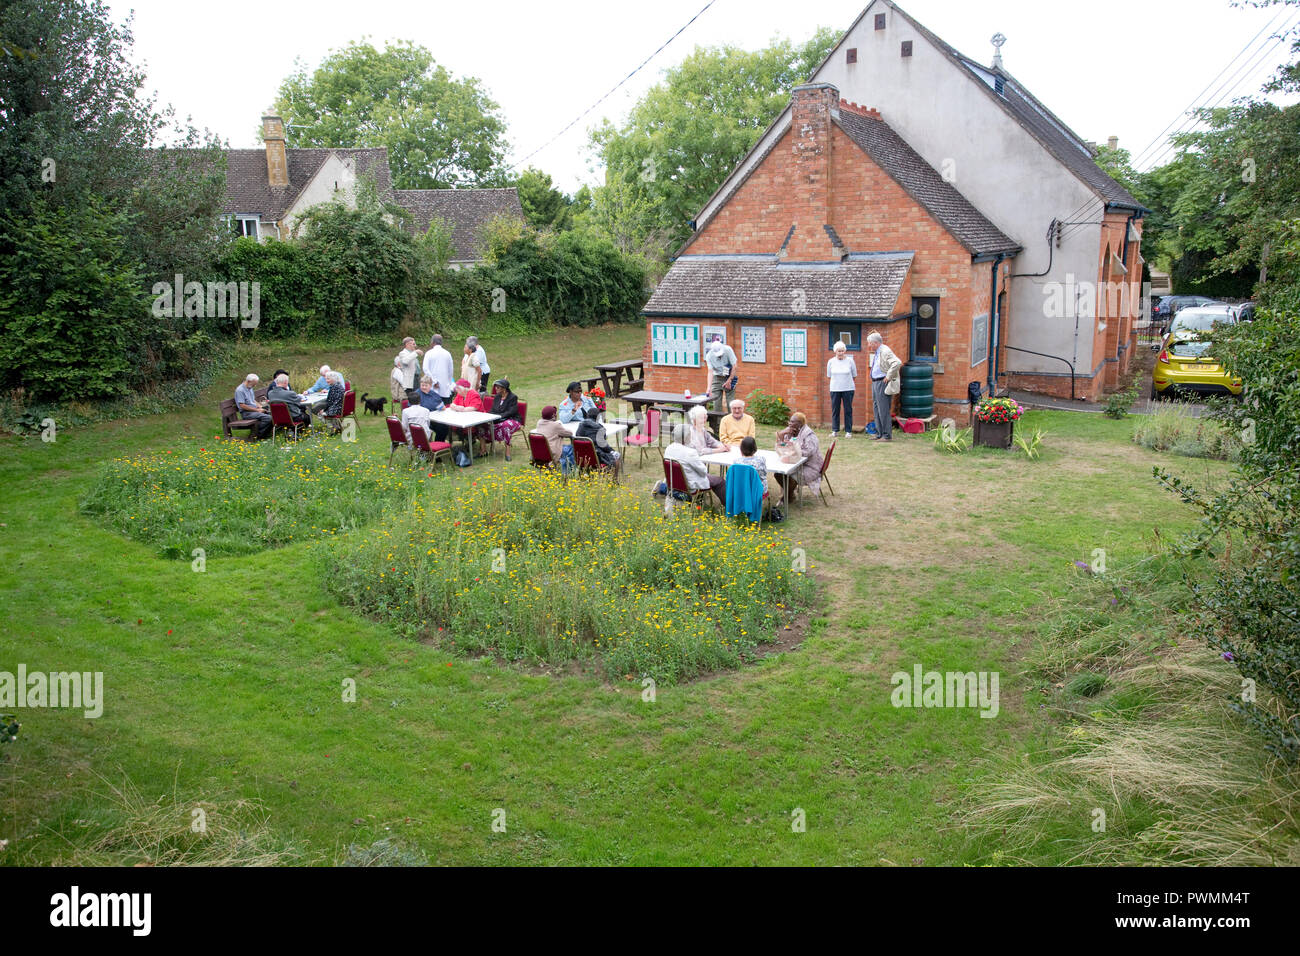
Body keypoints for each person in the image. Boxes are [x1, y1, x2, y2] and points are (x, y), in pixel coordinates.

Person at [664, 424, 725, 504]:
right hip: (691, 485)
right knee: (720, 481)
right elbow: (703, 472)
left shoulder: (669, 448)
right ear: (687, 436)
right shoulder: (690, 452)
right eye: (690, 434)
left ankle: (700, 503)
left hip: (675, 484)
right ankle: (728, 508)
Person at [776, 411, 823, 498]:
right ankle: (790, 495)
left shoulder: (809, 434)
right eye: (789, 421)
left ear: (800, 423)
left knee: (793, 476)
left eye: (792, 422)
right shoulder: (790, 431)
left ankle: (787, 497)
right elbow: (781, 448)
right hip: (793, 463)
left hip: (810, 466)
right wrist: (782, 434)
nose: (790, 423)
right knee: (778, 473)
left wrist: (793, 450)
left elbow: (809, 452)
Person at [866, 331, 902, 441]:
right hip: (875, 382)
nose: (869, 346)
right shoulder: (878, 351)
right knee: (876, 408)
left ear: (876, 343)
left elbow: (897, 363)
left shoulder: (885, 350)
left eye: (870, 343)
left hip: (883, 382)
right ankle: (879, 433)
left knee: (883, 409)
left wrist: (889, 376)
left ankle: (886, 435)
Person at [737, 435, 783, 517]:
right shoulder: (760, 460)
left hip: (741, 490)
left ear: (741, 449)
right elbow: (764, 474)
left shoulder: (736, 462)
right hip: (757, 490)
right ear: (755, 448)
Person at [484, 378, 522, 461]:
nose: (496, 389)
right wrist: (488, 416)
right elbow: (493, 409)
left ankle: (507, 452)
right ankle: (483, 451)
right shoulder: (497, 397)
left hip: (512, 419)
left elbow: (511, 412)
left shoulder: (513, 397)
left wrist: (499, 416)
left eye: (498, 387)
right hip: (499, 419)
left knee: (505, 426)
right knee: (483, 425)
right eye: (496, 387)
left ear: (504, 389)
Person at [575, 406, 621, 474]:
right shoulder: (600, 428)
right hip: (596, 456)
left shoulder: (581, 425)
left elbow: (577, 437)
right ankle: (614, 481)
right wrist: (612, 451)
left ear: (587, 415)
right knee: (616, 458)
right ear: (598, 417)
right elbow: (604, 446)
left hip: (580, 457)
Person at [827, 340, 858, 438]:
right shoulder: (831, 361)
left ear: (845, 351)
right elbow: (829, 376)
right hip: (835, 389)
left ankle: (848, 431)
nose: (840, 353)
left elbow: (854, 375)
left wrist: (846, 382)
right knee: (835, 410)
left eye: (842, 351)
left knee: (848, 409)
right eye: (838, 351)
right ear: (835, 351)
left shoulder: (850, 361)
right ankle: (835, 430)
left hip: (848, 388)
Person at [703, 333, 739, 413]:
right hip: (717, 377)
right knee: (716, 401)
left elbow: (735, 366)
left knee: (730, 402)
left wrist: (729, 380)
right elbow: (710, 372)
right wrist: (708, 388)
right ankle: (717, 424)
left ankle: (732, 421)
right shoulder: (709, 356)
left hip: (729, 376)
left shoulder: (728, 350)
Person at [533, 405, 573, 473]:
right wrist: (558, 424)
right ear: (553, 416)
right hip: (552, 453)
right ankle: (567, 472)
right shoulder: (556, 425)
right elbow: (569, 433)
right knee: (571, 448)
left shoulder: (539, 422)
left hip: (541, 451)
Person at [234, 373, 272, 438]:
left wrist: (260, 406)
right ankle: (258, 435)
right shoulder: (240, 390)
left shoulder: (249, 387)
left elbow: (252, 400)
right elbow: (242, 406)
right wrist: (257, 410)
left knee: (272, 414)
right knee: (268, 418)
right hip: (246, 413)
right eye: (254, 384)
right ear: (248, 381)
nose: (255, 385)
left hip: (253, 411)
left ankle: (266, 434)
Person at [415, 376, 449, 441]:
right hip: (422, 419)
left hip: (434, 419)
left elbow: (442, 407)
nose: (424, 387)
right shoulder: (417, 394)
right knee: (440, 428)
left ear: (430, 386)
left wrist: (441, 407)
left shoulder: (434, 394)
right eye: (422, 385)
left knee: (444, 428)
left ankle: (438, 444)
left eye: (426, 385)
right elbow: (413, 407)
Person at [424, 334, 456, 404]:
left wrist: (434, 381)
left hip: (432, 386)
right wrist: (449, 383)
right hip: (445, 386)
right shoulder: (447, 354)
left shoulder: (429, 353)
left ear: (432, 342)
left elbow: (425, 369)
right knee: (445, 408)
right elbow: (450, 371)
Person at [397, 337, 423, 403]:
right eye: (413, 344)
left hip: (417, 378)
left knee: (418, 397)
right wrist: (416, 352)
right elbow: (405, 361)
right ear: (407, 344)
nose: (415, 345)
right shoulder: (403, 353)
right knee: (413, 399)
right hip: (410, 380)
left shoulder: (412, 353)